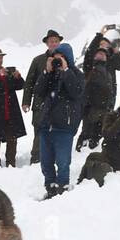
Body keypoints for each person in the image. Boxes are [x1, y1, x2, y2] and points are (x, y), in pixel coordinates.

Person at [32, 42, 84, 198]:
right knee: (46, 163)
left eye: (60, 57)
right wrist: (47, 72)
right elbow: (38, 91)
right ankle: (50, 188)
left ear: (67, 58)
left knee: (62, 163)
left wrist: (66, 70)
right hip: (46, 125)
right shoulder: (51, 75)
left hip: (64, 127)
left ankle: (62, 189)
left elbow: (75, 92)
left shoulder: (76, 74)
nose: (57, 60)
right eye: (54, 57)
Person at [78, 93, 120, 185]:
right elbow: (107, 134)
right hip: (108, 155)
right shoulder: (111, 116)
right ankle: (80, 183)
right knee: (92, 157)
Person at [23, 29, 63, 165]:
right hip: (40, 104)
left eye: (56, 41)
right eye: (51, 41)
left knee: (57, 134)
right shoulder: (38, 60)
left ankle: (54, 162)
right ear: (47, 43)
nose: (54, 44)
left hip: (58, 105)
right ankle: (35, 161)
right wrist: (26, 102)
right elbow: (29, 82)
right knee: (39, 134)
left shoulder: (65, 59)